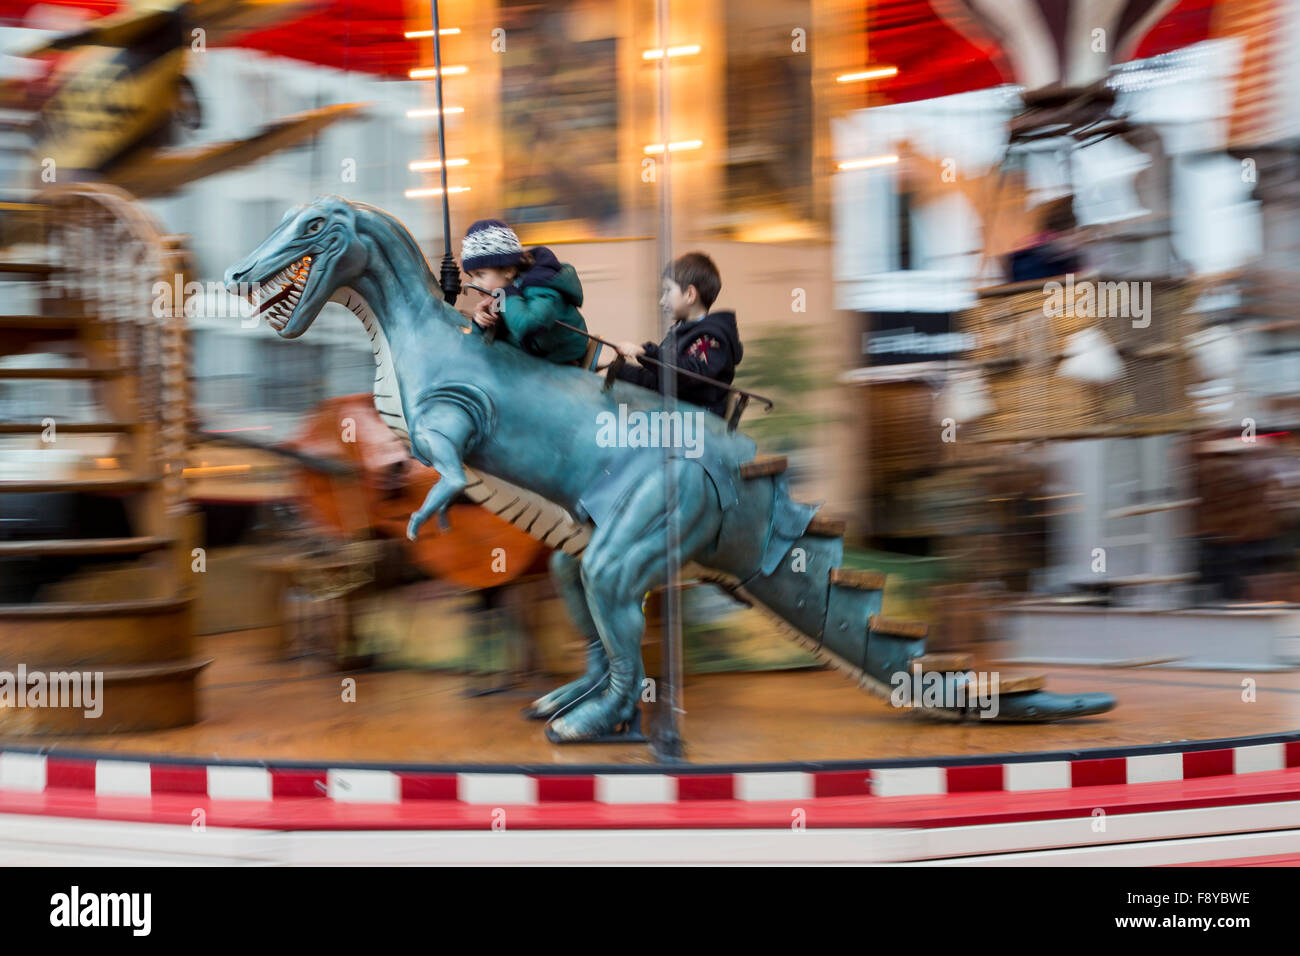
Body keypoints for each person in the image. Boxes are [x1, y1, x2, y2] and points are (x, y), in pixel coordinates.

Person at [615, 252, 742, 417]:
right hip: (677, 410)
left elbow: (688, 374)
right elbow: (661, 377)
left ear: (690, 294)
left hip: (695, 421)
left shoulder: (712, 339)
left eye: (668, 291)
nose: (662, 300)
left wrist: (646, 353)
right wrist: (620, 371)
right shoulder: (681, 330)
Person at [460, 219, 589, 365]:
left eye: (480, 274)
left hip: (561, 353)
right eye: (472, 276)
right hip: (536, 349)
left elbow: (528, 326)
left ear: (508, 271)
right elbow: (494, 338)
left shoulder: (541, 287)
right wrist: (484, 323)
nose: (474, 283)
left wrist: (507, 294)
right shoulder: (508, 291)